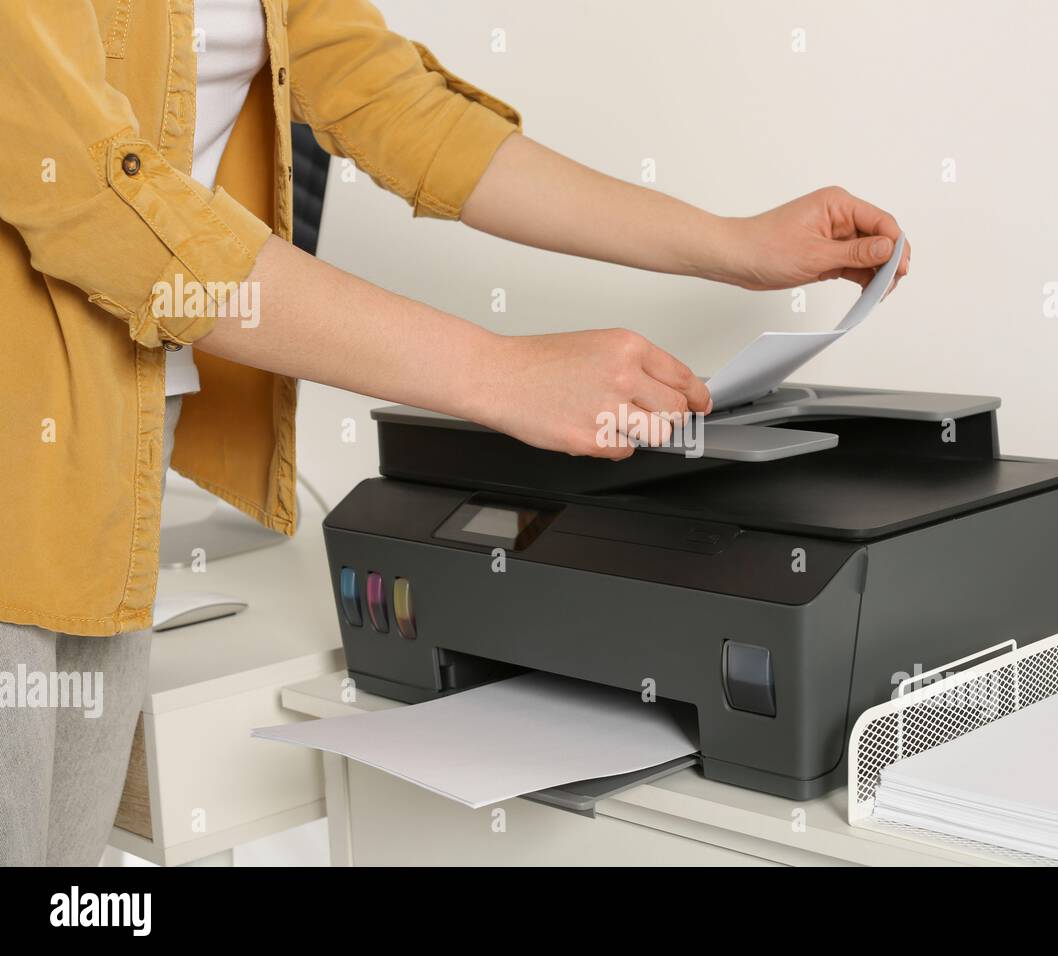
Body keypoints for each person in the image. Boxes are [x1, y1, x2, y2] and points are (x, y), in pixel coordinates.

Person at [0, 0, 909, 866]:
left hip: (111, 421)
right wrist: (496, 373)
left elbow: (386, 97)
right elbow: (84, 184)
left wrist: (732, 245)